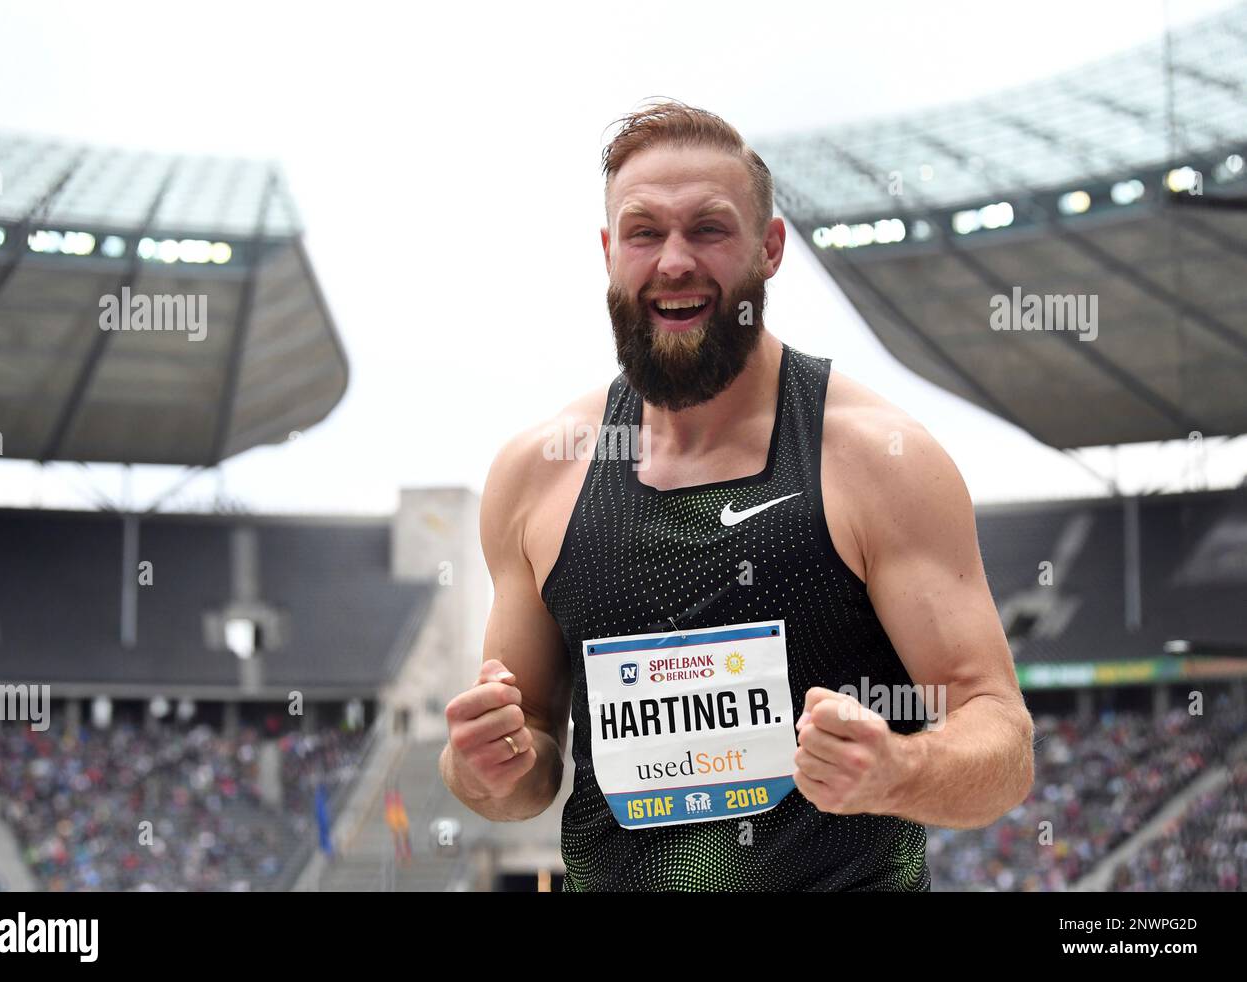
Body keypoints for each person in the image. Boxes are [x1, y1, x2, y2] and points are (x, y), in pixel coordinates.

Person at [440, 99, 1034, 891]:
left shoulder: (878, 459)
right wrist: (480, 766)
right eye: (645, 232)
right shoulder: (539, 473)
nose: (675, 260)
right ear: (610, 251)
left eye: (709, 230)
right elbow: (529, 769)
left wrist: (899, 769)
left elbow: (1001, 740)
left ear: (770, 248)